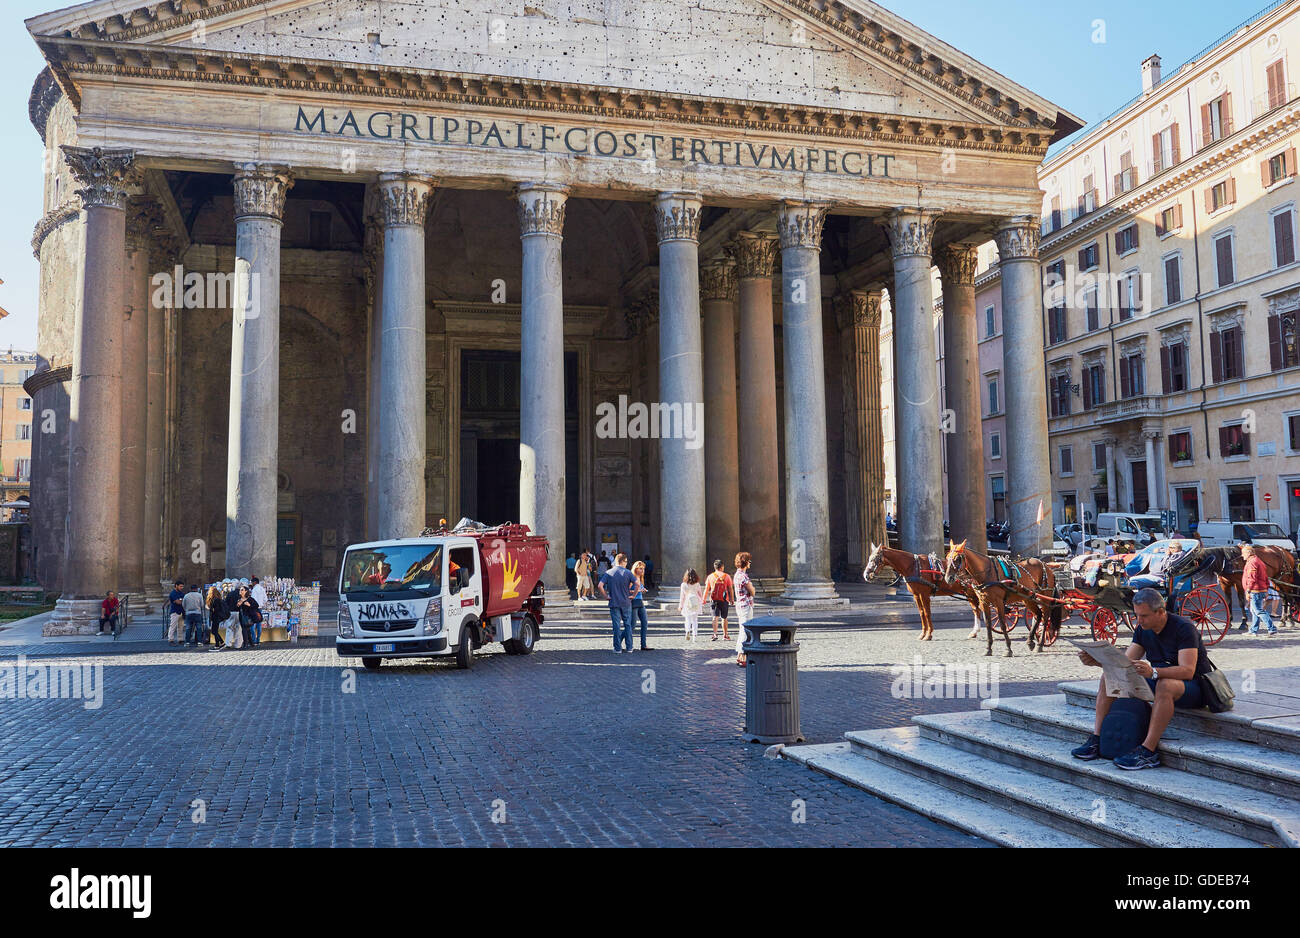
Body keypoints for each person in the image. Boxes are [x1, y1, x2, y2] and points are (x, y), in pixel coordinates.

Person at [1071, 588, 1210, 770]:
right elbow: (1125, 664)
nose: (1139, 620)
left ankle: (1148, 751)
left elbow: (1188, 671)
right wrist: (1097, 662)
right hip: (1158, 678)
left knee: (1165, 685)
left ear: (1160, 612)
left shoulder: (1184, 628)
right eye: (1136, 615)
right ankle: (1097, 738)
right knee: (1108, 676)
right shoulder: (1143, 629)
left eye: (1143, 616)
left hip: (1194, 687)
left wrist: (1154, 671)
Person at [598, 552, 637, 653]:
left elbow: (600, 586)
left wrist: (606, 596)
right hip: (626, 602)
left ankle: (617, 648)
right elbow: (637, 583)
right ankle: (629, 647)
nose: (627, 563)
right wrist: (633, 595)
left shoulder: (609, 572)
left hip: (614, 602)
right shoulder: (628, 572)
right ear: (623, 562)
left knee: (616, 626)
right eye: (626, 562)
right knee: (627, 625)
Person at [1241, 544, 1277, 636]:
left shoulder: (1252, 563)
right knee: (1254, 611)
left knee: (1258, 611)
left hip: (1255, 590)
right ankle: (1253, 630)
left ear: (1249, 553)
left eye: (1243, 553)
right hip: (1260, 590)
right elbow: (1265, 577)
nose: (1242, 555)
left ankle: (1272, 628)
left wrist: (1248, 591)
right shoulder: (1258, 561)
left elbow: (1252, 579)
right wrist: (1266, 590)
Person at [733, 552, 755, 667]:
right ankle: (742, 655)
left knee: (743, 629)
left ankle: (740, 656)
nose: (750, 563)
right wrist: (752, 588)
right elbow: (752, 591)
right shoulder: (743, 576)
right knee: (745, 630)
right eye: (749, 561)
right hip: (746, 606)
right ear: (745, 562)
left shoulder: (737, 575)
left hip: (740, 606)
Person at [704, 559, 734, 642]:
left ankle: (715, 634)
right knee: (724, 617)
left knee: (715, 617)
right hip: (724, 599)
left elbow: (707, 588)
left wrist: (704, 599)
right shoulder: (726, 576)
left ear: (715, 567)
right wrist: (732, 599)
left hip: (714, 599)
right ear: (722, 567)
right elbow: (730, 588)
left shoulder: (710, 576)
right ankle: (725, 635)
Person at [630, 560, 652, 651]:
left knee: (645, 622)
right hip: (633, 602)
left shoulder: (641, 578)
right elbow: (626, 590)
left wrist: (643, 590)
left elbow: (640, 589)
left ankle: (643, 645)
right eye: (640, 568)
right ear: (635, 569)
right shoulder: (632, 578)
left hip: (640, 602)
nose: (642, 570)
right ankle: (619, 640)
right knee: (633, 625)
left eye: (643, 569)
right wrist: (638, 591)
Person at [678, 568, 704, 641]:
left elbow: (682, 596)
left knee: (687, 619)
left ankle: (687, 631)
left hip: (687, 602)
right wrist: (702, 602)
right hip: (696, 601)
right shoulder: (697, 584)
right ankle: (694, 636)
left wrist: (680, 606)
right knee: (695, 619)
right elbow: (700, 594)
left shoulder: (683, 585)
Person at [207, 584, 230, 650]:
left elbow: (216, 609)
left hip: (216, 617)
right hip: (217, 617)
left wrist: (211, 609)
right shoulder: (218, 599)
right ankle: (220, 643)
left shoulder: (215, 600)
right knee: (214, 631)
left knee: (214, 631)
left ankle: (219, 644)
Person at [182, 582, 205, 647]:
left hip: (189, 613)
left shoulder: (186, 595)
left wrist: (186, 610)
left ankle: (187, 642)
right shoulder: (199, 595)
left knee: (188, 628)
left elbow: (183, 605)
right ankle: (199, 642)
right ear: (196, 589)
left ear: (191, 589)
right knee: (199, 628)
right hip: (197, 613)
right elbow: (202, 605)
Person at [167, 580, 186, 644]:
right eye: (180, 586)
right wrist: (181, 601)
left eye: (182, 586)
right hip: (175, 612)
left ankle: (180, 639)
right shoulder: (173, 593)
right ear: (176, 586)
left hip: (181, 611)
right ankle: (171, 639)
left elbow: (181, 601)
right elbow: (178, 602)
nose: (182, 588)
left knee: (181, 627)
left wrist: (180, 601)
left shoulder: (181, 593)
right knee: (173, 626)